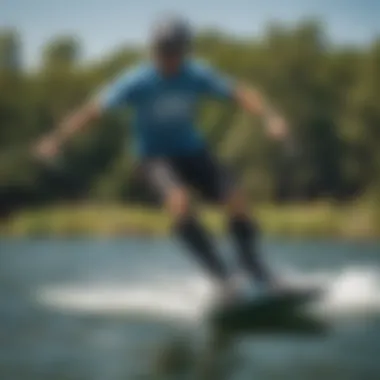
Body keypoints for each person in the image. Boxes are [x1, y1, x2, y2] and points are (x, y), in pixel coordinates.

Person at [35, 15, 289, 302]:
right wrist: (57, 139)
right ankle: (222, 278)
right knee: (179, 204)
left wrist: (271, 117)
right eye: (162, 52)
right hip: (154, 159)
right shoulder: (137, 80)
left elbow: (240, 93)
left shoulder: (196, 74)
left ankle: (255, 269)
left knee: (237, 198)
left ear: (184, 51)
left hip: (193, 152)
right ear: (153, 51)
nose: (168, 58)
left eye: (174, 52)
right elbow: (92, 110)